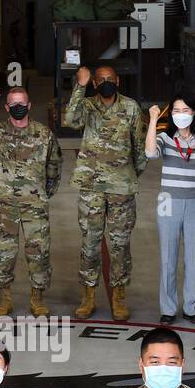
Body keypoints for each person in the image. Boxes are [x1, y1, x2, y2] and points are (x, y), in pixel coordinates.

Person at [0, 85, 62, 317]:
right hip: (4, 206)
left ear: (29, 106)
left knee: (39, 252)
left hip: (35, 204)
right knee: (3, 252)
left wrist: (43, 192)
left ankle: (37, 298)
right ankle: (5, 297)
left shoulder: (44, 134)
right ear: (7, 107)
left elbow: (55, 165)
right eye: (14, 105)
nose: (19, 108)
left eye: (23, 104)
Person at [63, 63, 148, 320]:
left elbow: (139, 146)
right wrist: (80, 85)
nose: (106, 83)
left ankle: (119, 296)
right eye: (100, 80)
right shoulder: (87, 106)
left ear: (118, 81)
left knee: (120, 245)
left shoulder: (131, 107)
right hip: (91, 187)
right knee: (89, 244)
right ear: (95, 84)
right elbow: (70, 120)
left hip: (122, 187)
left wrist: (131, 175)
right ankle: (88, 295)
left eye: (110, 78)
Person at [145, 95, 195, 325]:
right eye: (175, 110)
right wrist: (154, 120)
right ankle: (167, 308)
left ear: (194, 112)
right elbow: (149, 153)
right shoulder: (165, 138)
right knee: (168, 256)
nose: (180, 114)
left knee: (194, 256)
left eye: (185, 109)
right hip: (168, 201)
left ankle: (191, 308)